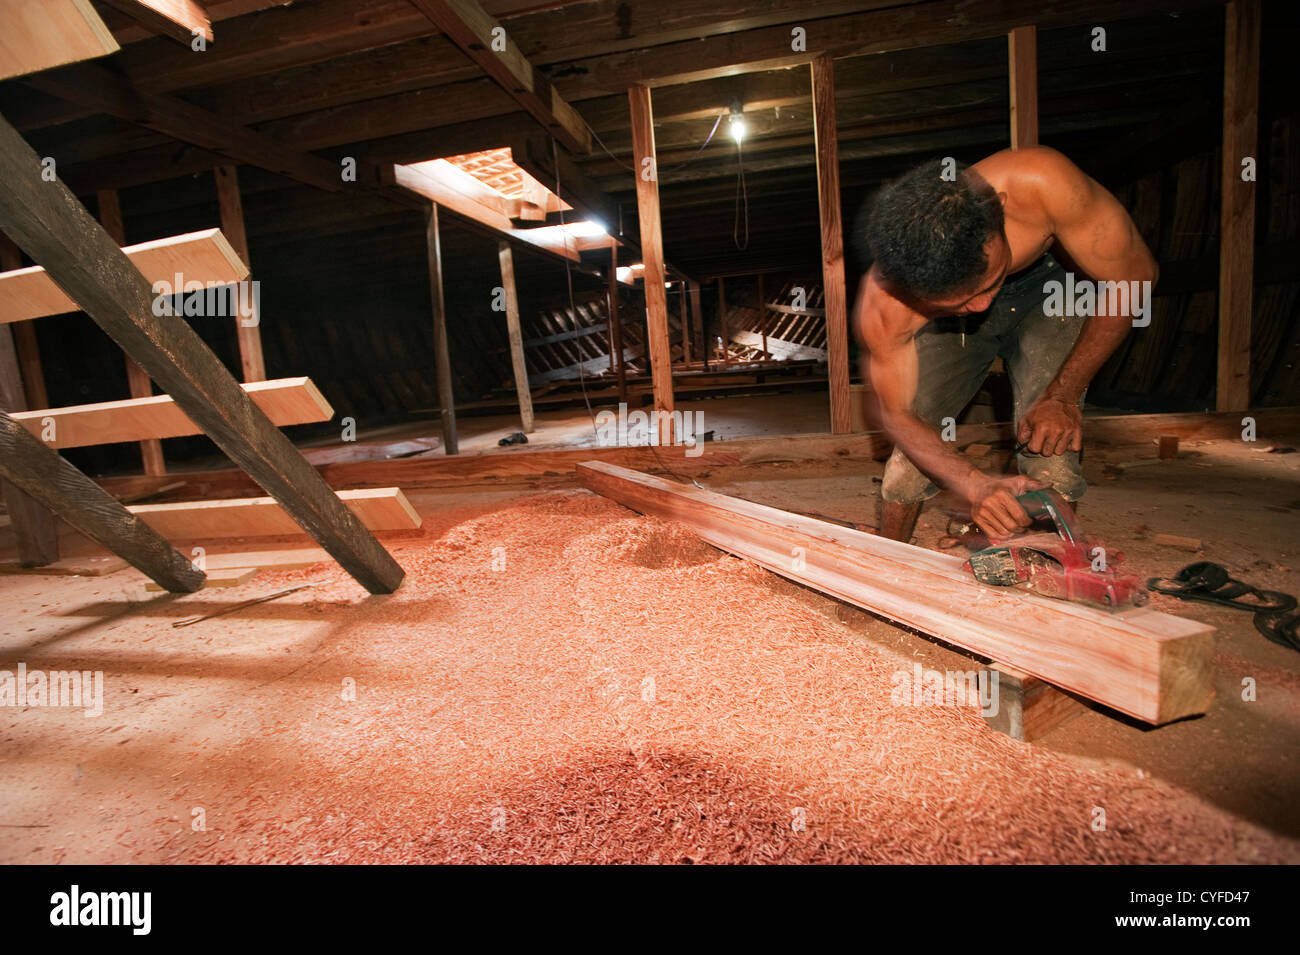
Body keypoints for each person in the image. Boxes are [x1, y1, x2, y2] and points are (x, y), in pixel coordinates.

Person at [853, 146, 1158, 542]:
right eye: (960, 300)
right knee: (915, 440)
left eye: (986, 284)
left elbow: (1134, 279)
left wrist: (1063, 395)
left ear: (998, 210)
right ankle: (892, 557)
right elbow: (896, 415)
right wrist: (974, 483)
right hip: (945, 326)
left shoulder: (1044, 184)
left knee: (1052, 443)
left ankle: (1055, 565)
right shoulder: (886, 304)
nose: (980, 306)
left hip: (1051, 288)